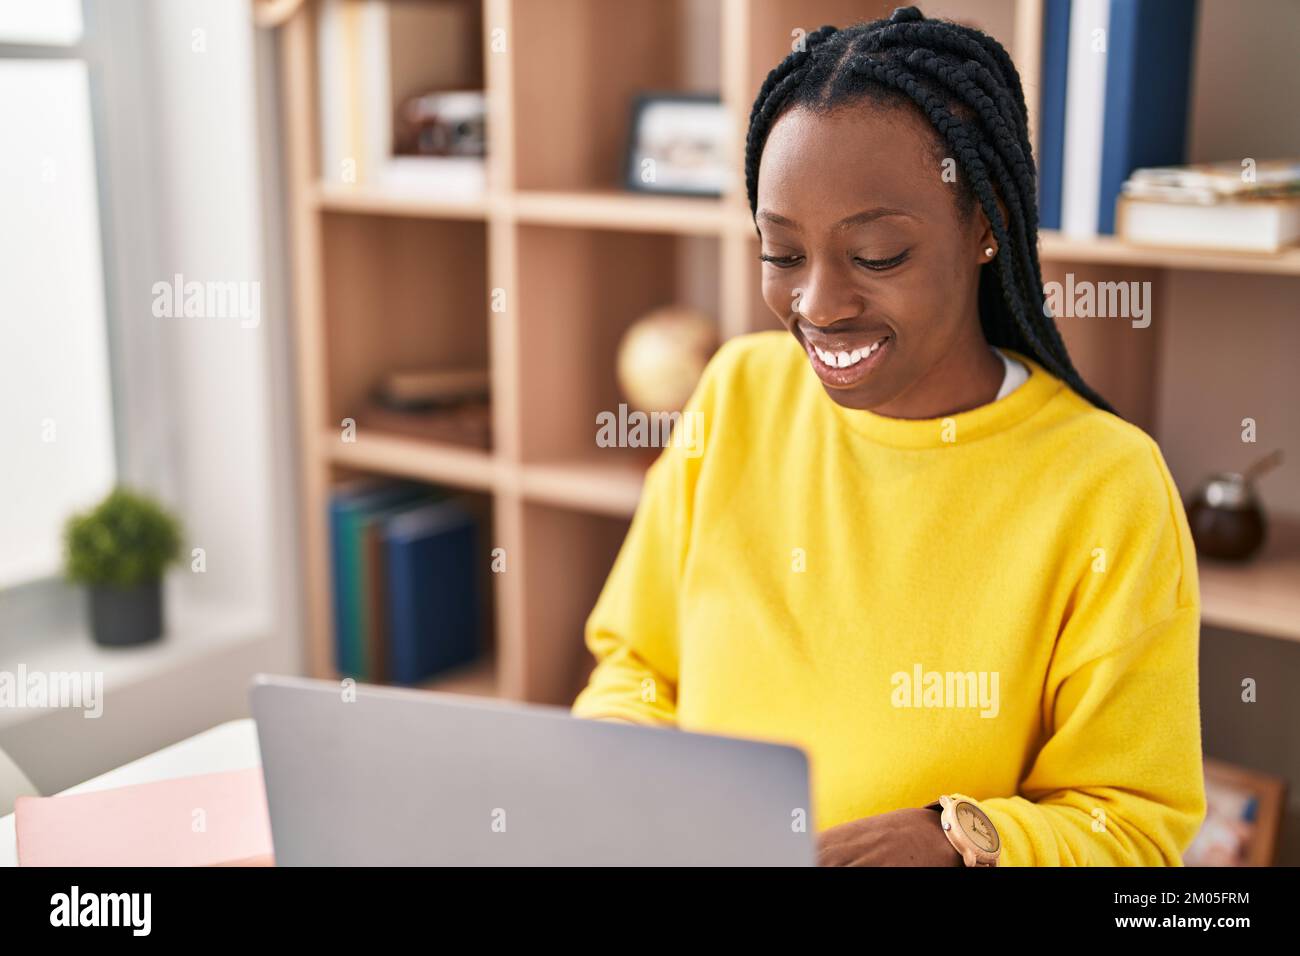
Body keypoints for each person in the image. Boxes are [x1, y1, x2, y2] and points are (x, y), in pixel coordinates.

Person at [572, 6, 1205, 866]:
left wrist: (964, 841)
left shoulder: (1108, 484)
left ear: (986, 227)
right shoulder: (738, 394)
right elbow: (637, 665)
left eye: (875, 256)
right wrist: (623, 771)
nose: (820, 307)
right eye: (782, 253)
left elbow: (1134, 825)